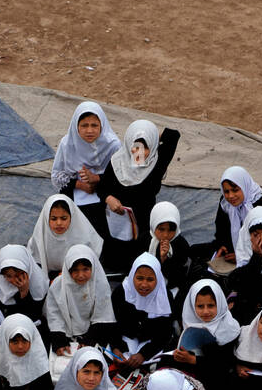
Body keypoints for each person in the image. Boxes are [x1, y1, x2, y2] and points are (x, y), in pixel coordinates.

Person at [94, 120, 182, 253]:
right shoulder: (118, 162)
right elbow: (102, 187)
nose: (138, 153)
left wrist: (151, 134)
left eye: (145, 148)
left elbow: (173, 135)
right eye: (136, 146)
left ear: (153, 147)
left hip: (143, 222)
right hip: (117, 220)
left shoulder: (157, 162)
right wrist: (109, 199)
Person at [49, 101, 122, 237]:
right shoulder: (67, 144)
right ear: (76, 126)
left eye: (94, 125)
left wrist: (96, 179)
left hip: (106, 190)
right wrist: (81, 185)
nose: (89, 130)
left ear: (102, 125)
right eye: (84, 125)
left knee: (104, 230)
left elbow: (120, 175)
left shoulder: (112, 145)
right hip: (76, 189)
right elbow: (57, 175)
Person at [162, 279, 239, 390]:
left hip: (215, 384)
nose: (205, 312)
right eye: (200, 306)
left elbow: (224, 365)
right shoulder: (192, 321)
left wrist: (193, 360)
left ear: (219, 303)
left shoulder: (229, 328)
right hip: (190, 376)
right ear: (192, 306)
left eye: (211, 306)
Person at [43, 244, 117, 355]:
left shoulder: (99, 284)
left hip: (93, 332)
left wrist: (90, 339)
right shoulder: (58, 285)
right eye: (75, 270)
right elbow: (54, 314)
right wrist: (59, 339)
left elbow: (103, 315)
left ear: (93, 267)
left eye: (85, 269)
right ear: (68, 269)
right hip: (65, 333)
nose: (80, 275)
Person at [190, 165, 262, 264]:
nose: (231, 196)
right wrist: (222, 247)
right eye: (226, 191)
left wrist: (242, 257)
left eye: (235, 190)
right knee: (193, 250)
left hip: (257, 255)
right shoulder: (226, 204)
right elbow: (221, 231)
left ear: (245, 186)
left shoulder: (261, 209)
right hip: (231, 250)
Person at [111, 252, 175, 369]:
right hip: (127, 338)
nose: (144, 284)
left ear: (158, 279)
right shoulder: (121, 292)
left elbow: (166, 332)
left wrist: (143, 354)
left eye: (150, 279)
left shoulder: (165, 297)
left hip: (151, 342)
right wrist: (116, 347)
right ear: (132, 276)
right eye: (139, 278)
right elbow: (112, 323)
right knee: (122, 361)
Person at [0, 244, 50, 339]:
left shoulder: (38, 284)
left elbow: (35, 316)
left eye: (19, 275)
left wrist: (24, 293)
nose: (14, 280)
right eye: (9, 276)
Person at [26, 193, 104, 279]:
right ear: (46, 219)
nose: (59, 223)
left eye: (64, 218)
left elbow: (88, 267)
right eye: (53, 219)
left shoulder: (85, 238)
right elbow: (35, 265)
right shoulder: (39, 239)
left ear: (72, 217)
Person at [143, 201, 193, 294]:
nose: (165, 235)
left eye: (171, 230)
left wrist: (164, 259)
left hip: (169, 288)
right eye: (161, 229)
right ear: (154, 225)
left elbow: (180, 276)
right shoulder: (144, 240)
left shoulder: (180, 244)